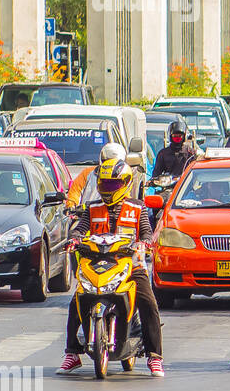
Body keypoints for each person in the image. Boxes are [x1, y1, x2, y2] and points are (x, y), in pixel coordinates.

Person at [57, 158, 165, 377]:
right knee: (76, 301)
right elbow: (80, 229)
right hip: (96, 264)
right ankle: (72, 353)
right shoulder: (92, 207)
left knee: (149, 303)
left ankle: (155, 357)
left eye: (113, 185)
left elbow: (145, 232)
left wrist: (144, 242)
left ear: (125, 183)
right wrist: (74, 239)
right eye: (104, 184)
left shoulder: (138, 207)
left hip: (131, 265)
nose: (108, 189)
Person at [66, 142, 130, 209]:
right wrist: (72, 206)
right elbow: (75, 192)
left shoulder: (124, 176)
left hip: (114, 214)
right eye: (108, 161)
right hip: (88, 215)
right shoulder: (88, 173)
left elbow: (126, 197)